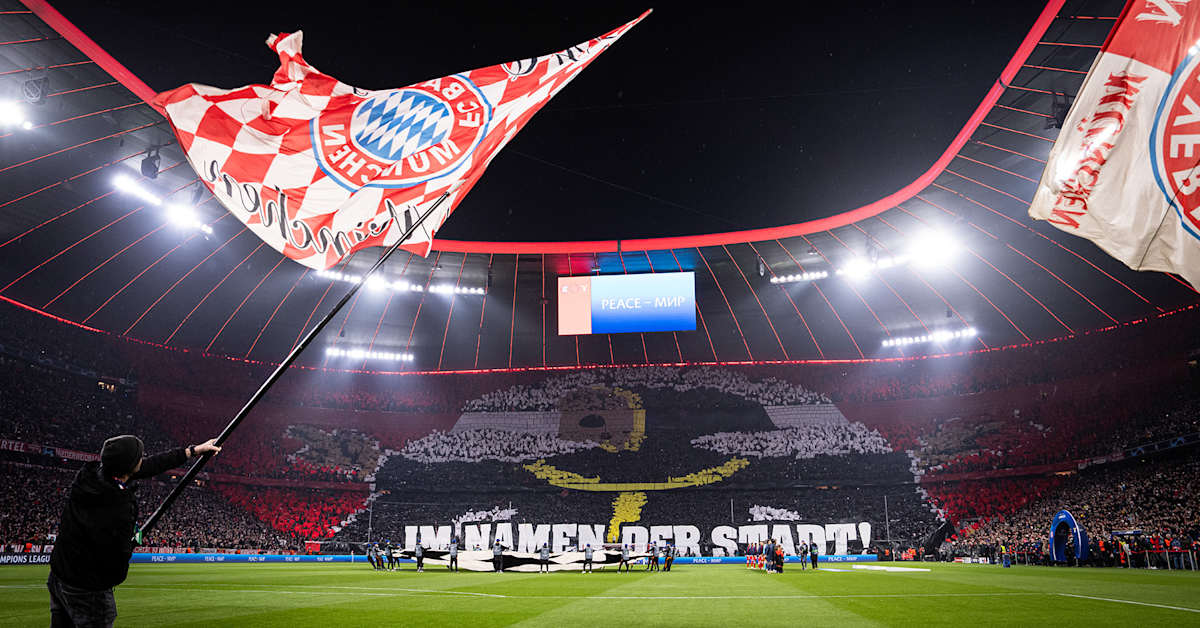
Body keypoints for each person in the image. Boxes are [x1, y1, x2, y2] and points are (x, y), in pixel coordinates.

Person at [48, 434, 220, 628]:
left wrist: (192, 451)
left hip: (59, 575)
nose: (142, 459)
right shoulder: (118, 507)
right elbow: (116, 558)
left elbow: (149, 466)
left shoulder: (90, 474)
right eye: (139, 456)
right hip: (88, 589)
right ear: (129, 466)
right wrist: (131, 544)